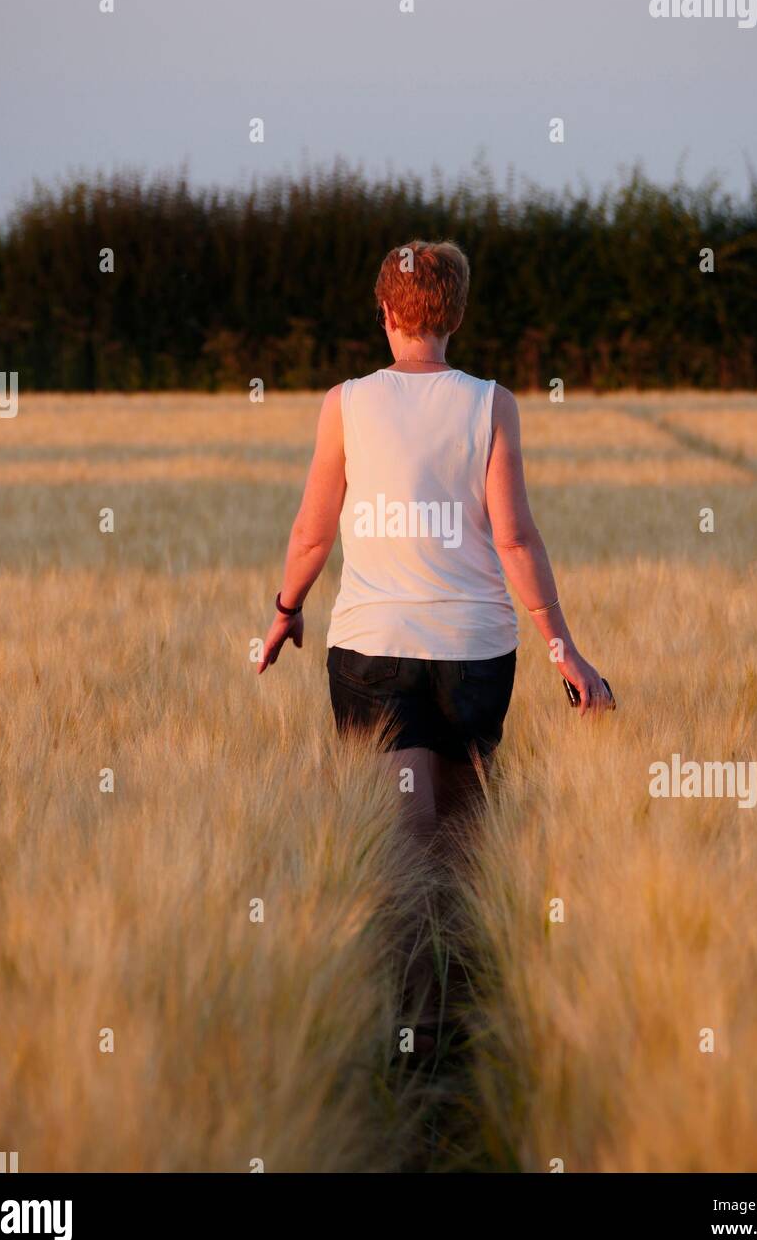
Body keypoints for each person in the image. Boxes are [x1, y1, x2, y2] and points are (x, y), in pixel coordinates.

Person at [258, 239, 612, 1046]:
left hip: (371, 648)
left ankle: (404, 1019)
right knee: (459, 833)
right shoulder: (491, 402)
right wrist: (565, 650)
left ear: (384, 313)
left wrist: (285, 609)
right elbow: (515, 538)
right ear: (454, 315)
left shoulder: (343, 402)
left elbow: (313, 530)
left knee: (398, 833)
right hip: (474, 649)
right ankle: (462, 1015)